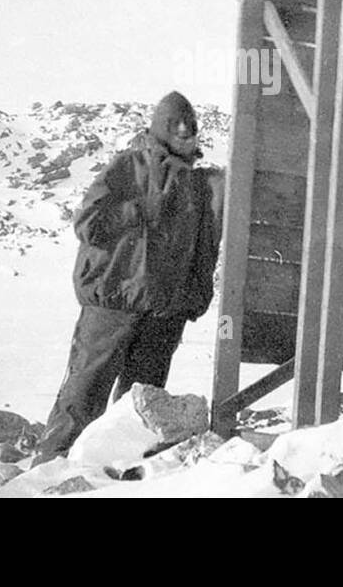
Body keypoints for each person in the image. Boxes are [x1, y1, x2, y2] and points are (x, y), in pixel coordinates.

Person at [33, 91, 221, 464]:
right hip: (113, 303)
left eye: (191, 125)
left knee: (137, 412)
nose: (185, 131)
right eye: (175, 124)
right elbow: (88, 224)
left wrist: (194, 298)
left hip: (164, 314)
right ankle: (49, 469)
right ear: (160, 128)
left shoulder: (200, 185)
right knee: (83, 394)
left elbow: (205, 250)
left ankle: (117, 476)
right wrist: (136, 211)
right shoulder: (127, 167)